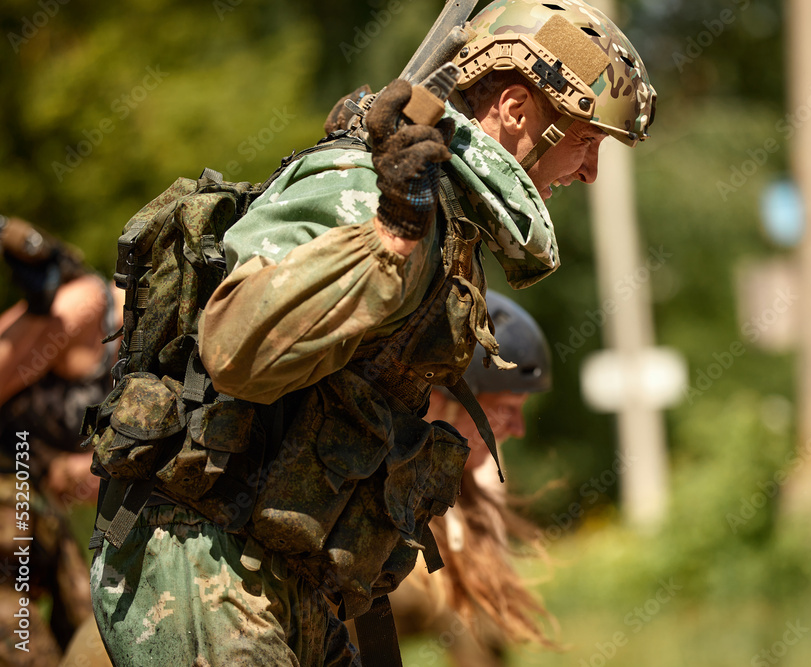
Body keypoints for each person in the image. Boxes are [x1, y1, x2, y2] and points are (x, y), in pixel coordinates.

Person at [90, 1, 656, 665]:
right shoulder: (368, 187)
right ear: (515, 108)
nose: (589, 170)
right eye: (588, 139)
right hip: (201, 555)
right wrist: (388, 239)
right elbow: (234, 348)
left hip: (279, 574)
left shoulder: (437, 210)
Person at [366, 292, 556, 667]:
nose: (517, 428)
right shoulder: (363, 459)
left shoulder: (469, 478)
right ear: (441, 399)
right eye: (505, 409)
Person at [0, 217, 118, 667]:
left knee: (102, 635)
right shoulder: (86, 306)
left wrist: (77, 466)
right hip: (11, 506)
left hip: (39, 513)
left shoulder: (137, 356)